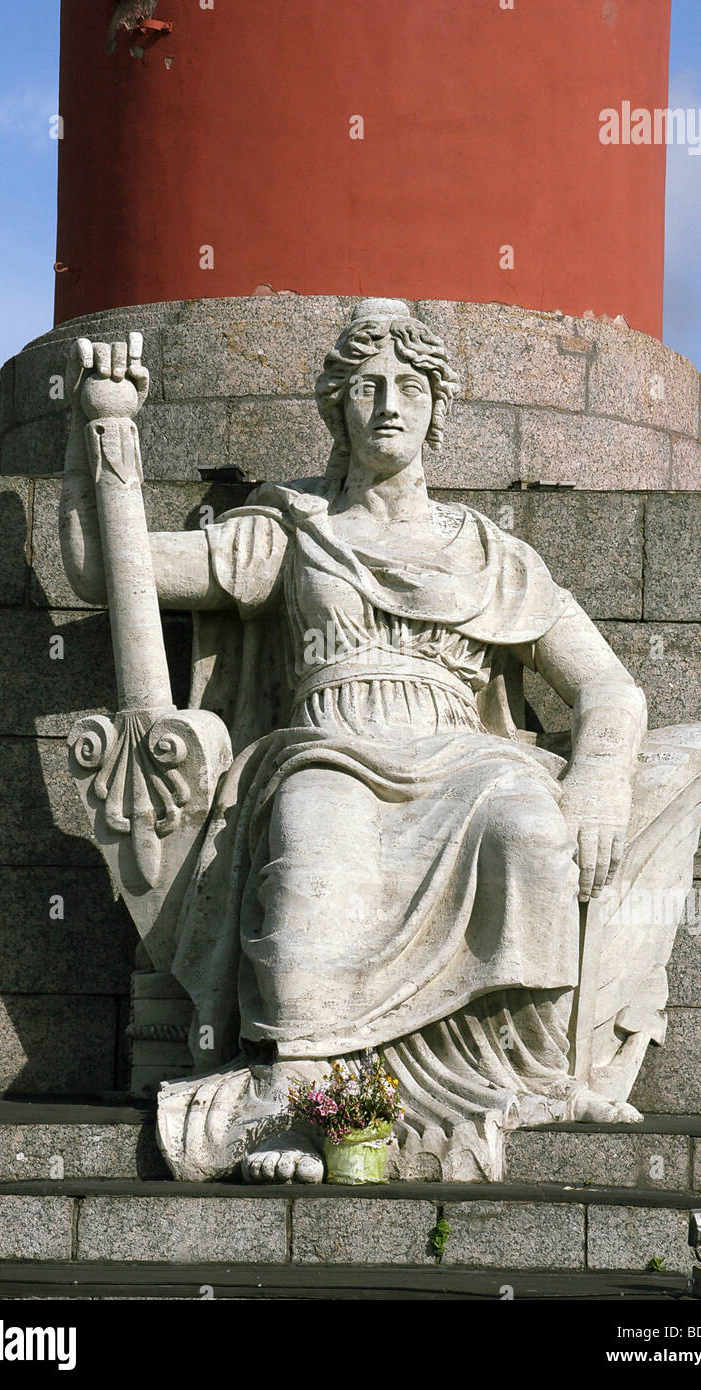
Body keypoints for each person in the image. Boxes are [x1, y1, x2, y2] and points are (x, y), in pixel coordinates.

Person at [61, 299, 647, 1183]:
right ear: (336, 407)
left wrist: (599, 783)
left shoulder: (492, 555)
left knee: (529, 830)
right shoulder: (290, 530)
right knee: (314, 858)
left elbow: (607, 688)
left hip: (468, 762)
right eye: (366, 385)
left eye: (410, 387)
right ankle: (298, 1099)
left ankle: (527, 1078)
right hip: (327, 748)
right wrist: (101, 431)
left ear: (437, 410)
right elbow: (111, 569)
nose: (388, 403)